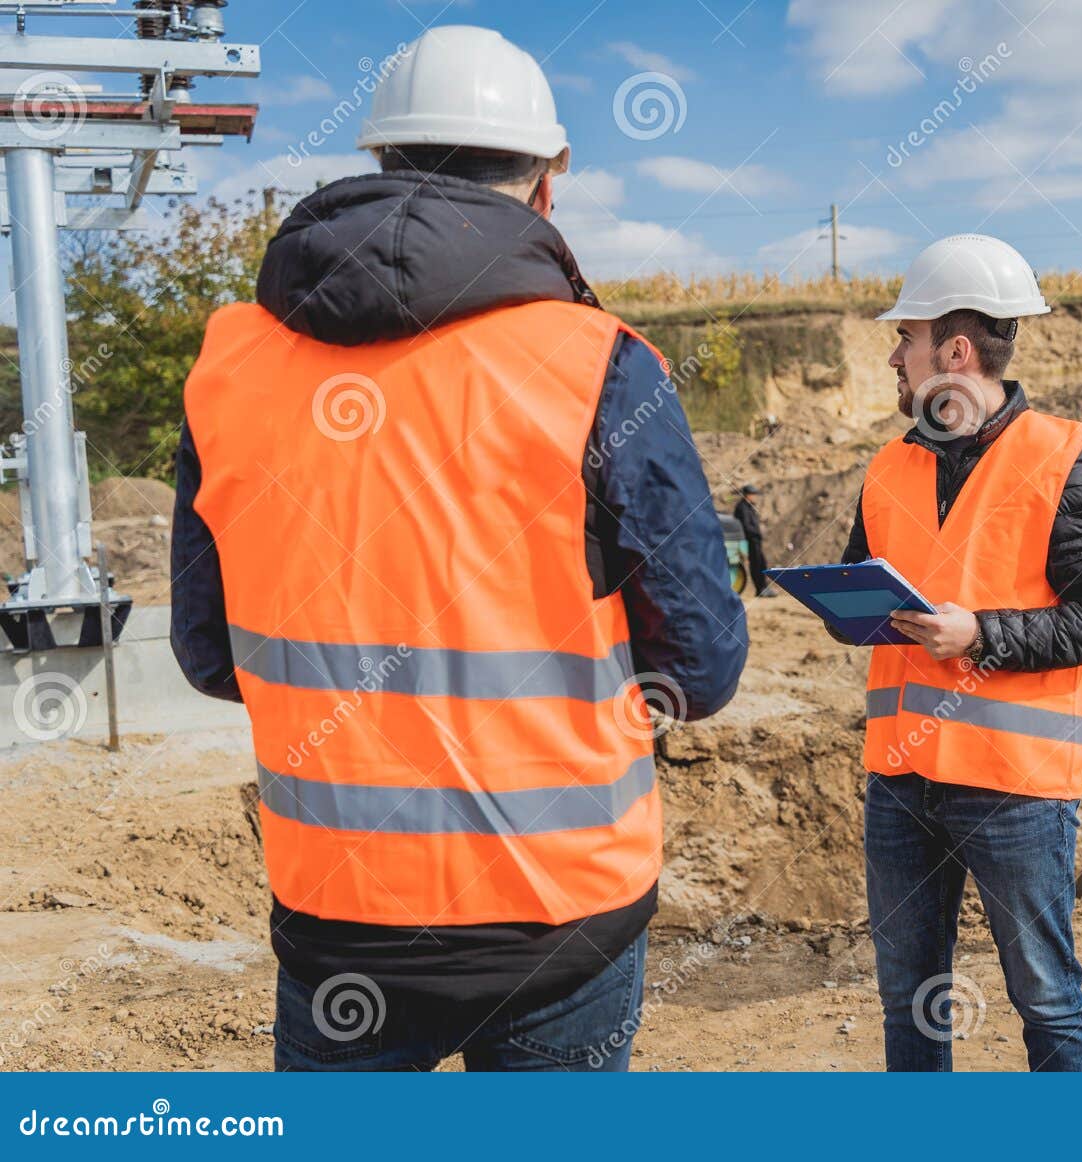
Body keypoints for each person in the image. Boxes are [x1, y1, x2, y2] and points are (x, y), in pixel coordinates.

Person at [169, 25, 747, 1072]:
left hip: (338, 913)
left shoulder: (229, 365)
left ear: (378, 160)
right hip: (559, 920)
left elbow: (210, 657)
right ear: (547, 183)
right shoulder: (600, 367)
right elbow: (700, 668)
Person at [839, 234, 1082, 1071]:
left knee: (1045, 999)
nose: (896, 357)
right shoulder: (887, 466)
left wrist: (985, 634)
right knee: (909, 1002)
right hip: (901, 782)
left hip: (1013, 786)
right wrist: (844, 608)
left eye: (906, 338)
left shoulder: (1063, 456)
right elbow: (863, 584)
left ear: (956, 350)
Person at [733, 483, 775, 597]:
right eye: (753, 494)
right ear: (747, 495)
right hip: (750, 540)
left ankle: (764, 587)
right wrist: (757, 533)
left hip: (755, 540)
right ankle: (760, 589)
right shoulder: (742, 508)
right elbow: (746, 526)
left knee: (762, 563)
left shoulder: (749, 507)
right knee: (756, 564)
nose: (755, 497)